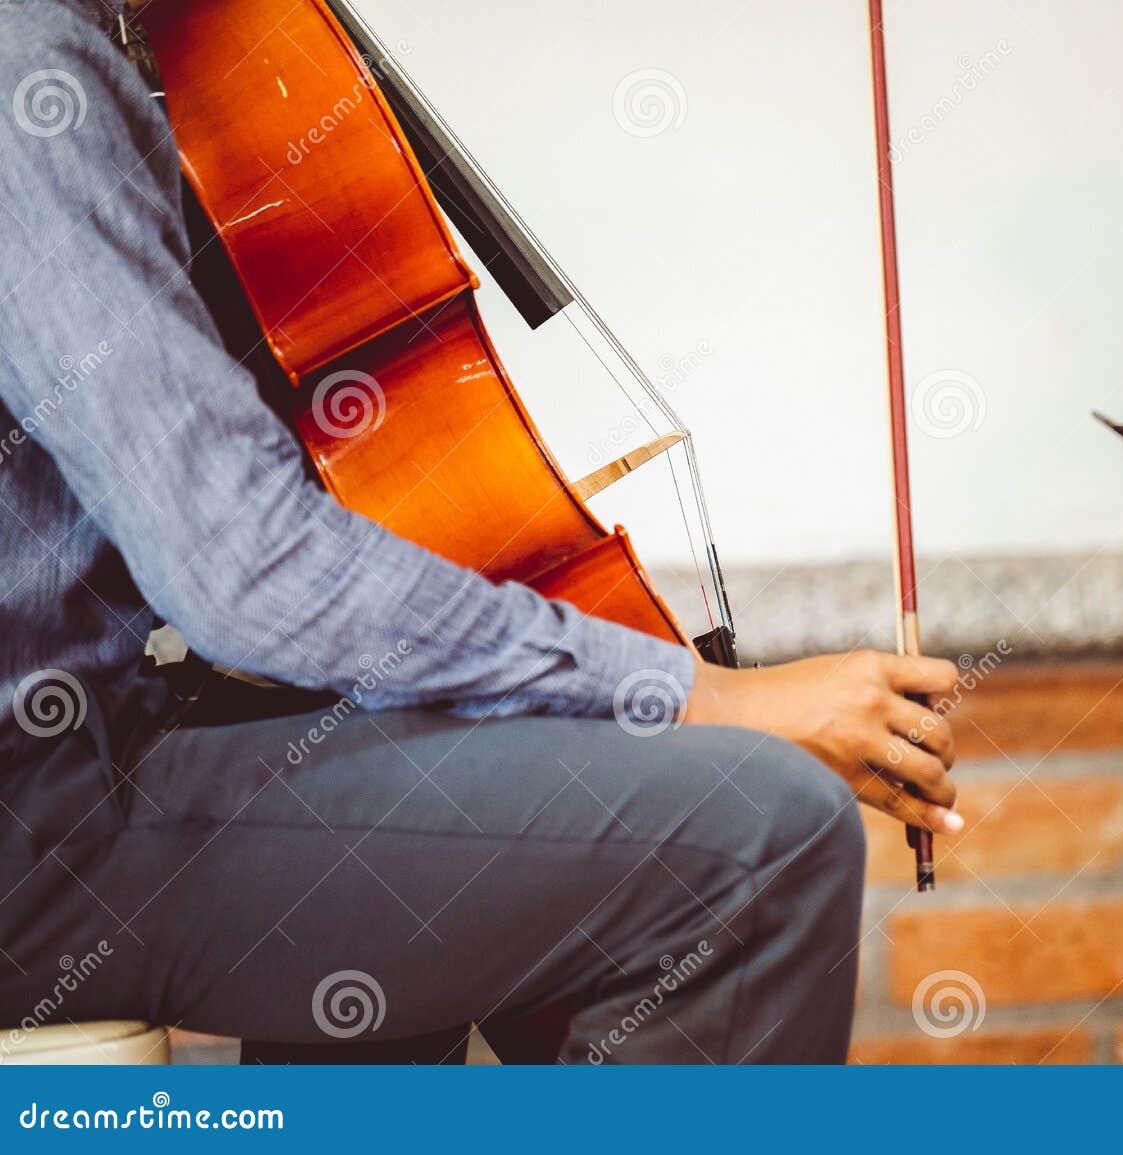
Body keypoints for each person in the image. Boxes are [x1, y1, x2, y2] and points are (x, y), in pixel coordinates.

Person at [0, 0, 959, 1064]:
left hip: (82, 764)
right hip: (40, 829)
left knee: (404, 754)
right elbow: (247, 572)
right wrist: (703, 694)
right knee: (762, 838)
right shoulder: (26, 64)